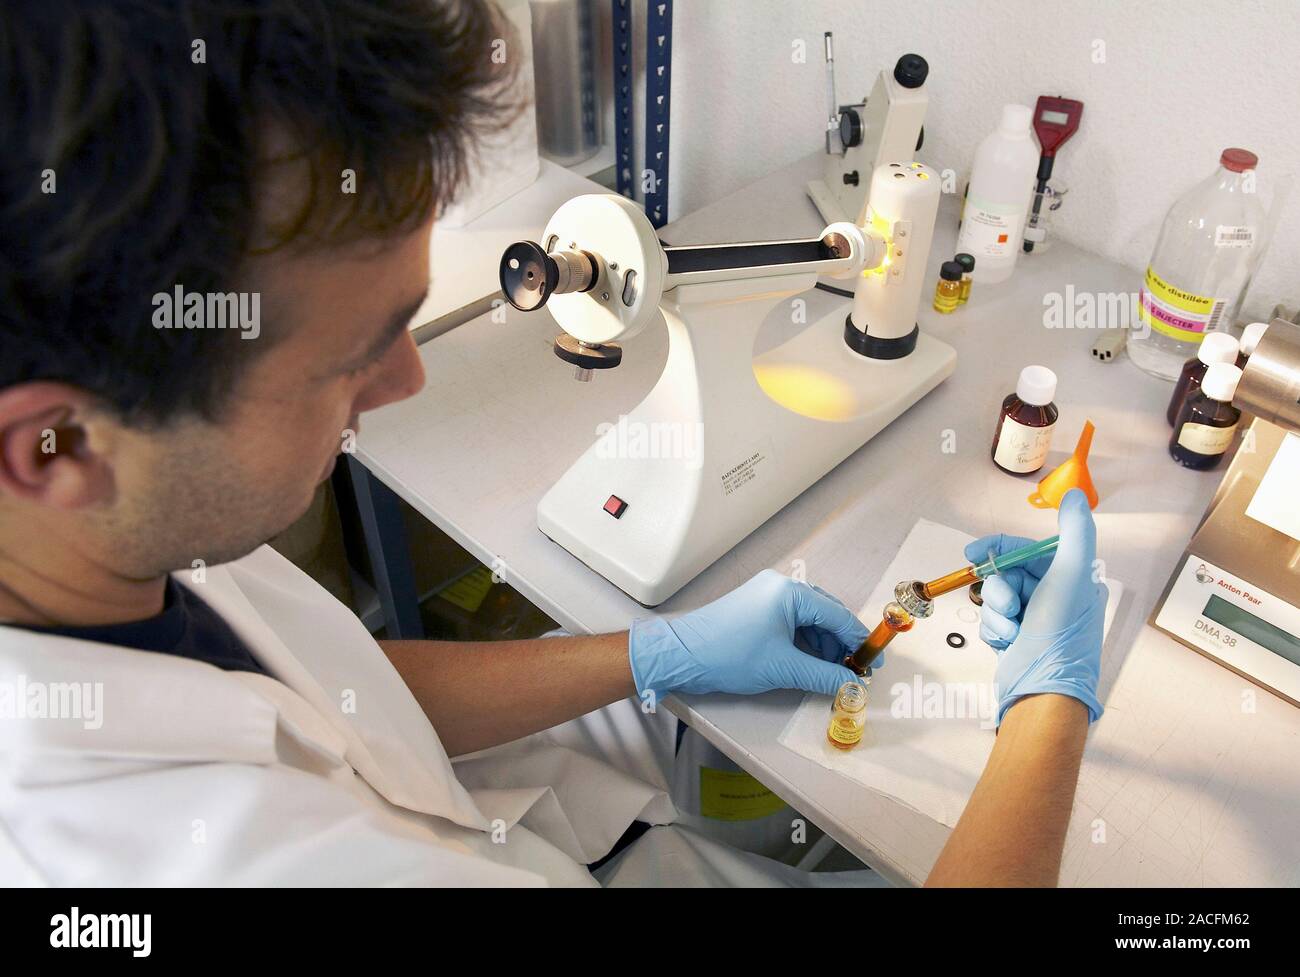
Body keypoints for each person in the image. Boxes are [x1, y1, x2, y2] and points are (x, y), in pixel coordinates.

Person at [0, 0, 1106, 887]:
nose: (407, 379)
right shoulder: (184, 851)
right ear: (53, 446)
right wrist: (1050, 711)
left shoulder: (122, 524)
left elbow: (335, 695)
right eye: (349, 357)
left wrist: (651, 652)